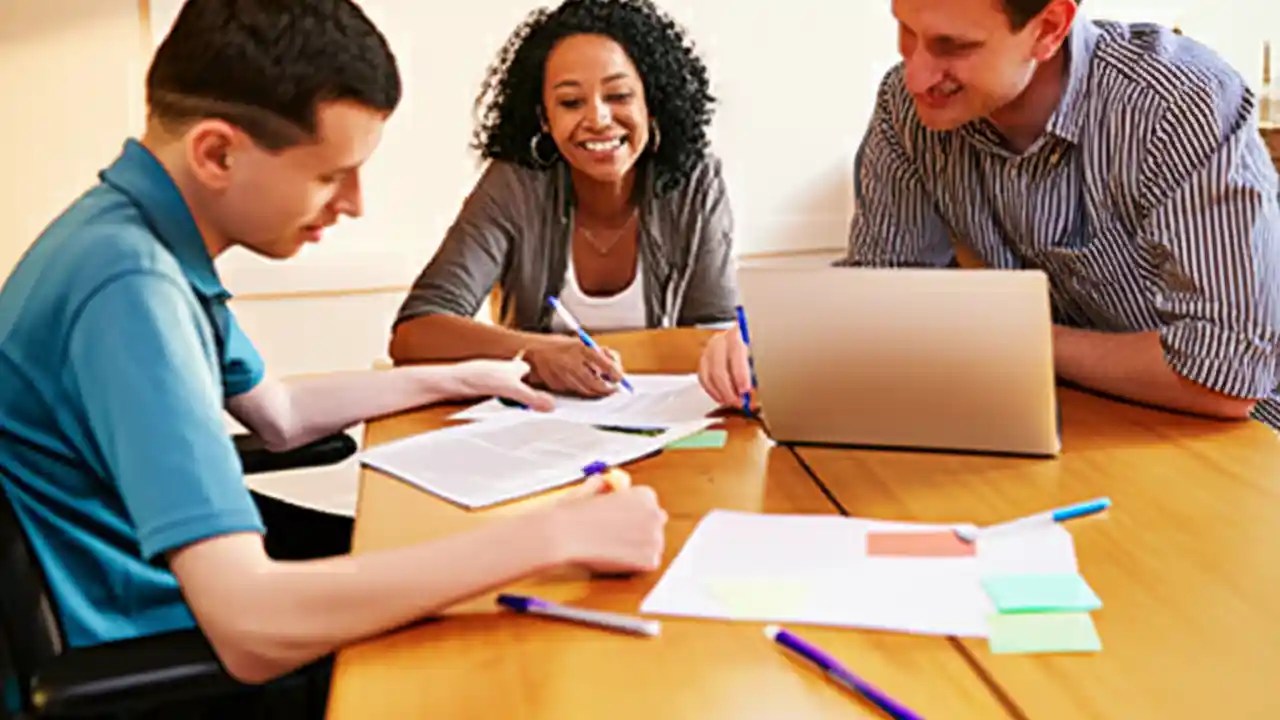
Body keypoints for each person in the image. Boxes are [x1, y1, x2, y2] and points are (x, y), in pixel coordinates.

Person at [0, 0, 667, 715]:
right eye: (330, 175)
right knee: (542, 668)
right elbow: (251, 625)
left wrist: (461, 375)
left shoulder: (130, 236)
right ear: (218, 153)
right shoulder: (130, 289)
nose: (353, 203)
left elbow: (278, 414)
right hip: (169, 654)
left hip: (180, 602)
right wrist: (556, 533)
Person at [700, 0, 1280, 430]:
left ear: (1049, 28)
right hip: (1072, 424)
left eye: (954, 46)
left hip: (1239, 448)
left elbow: (1223, 377)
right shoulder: (907, 109)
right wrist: (786, 338)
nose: (916, 76)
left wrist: (1013, 339)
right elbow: (892, 300)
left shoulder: (1178, 102)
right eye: (906, 30)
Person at [389, 0, 738, 399]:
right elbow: (414, 333)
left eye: (620, 95)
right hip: (539, 426)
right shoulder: (515, 185)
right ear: (544, 118)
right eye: (571, 102)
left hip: (658, 426)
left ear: (651, 103)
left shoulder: (694, 180)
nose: (599, 118)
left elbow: (713, 333)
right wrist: (535, 353)